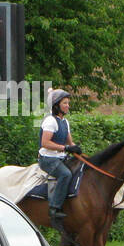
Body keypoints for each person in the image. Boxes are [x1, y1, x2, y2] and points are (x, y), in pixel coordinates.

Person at [38, 89, 82, 219]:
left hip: (60, 158)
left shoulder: (65, 122)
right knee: (65, 174)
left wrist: (76, 149)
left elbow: (69, 142)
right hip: (47, 159)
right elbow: (45, 143)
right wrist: (65, 148)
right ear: (56, 105)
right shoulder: (50, 121)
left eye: (68, 103)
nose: (68, 106)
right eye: (65, 103)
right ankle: (54, 207)